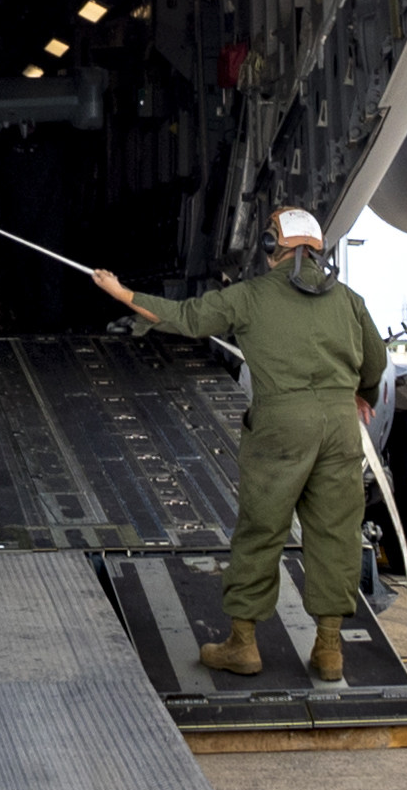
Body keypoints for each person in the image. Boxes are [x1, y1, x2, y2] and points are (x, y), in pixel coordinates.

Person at [92, 205, 385, 681]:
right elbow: (375, 361)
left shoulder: (250, 297)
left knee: (262, 530)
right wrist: (361, 395)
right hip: (339, 427)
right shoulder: (350, 301)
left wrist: (120, 292)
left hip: (281, 425)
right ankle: (329, 649)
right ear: (317, 251)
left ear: (272, 248)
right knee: (336, 534)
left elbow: (184, 317)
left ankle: (243, 644)